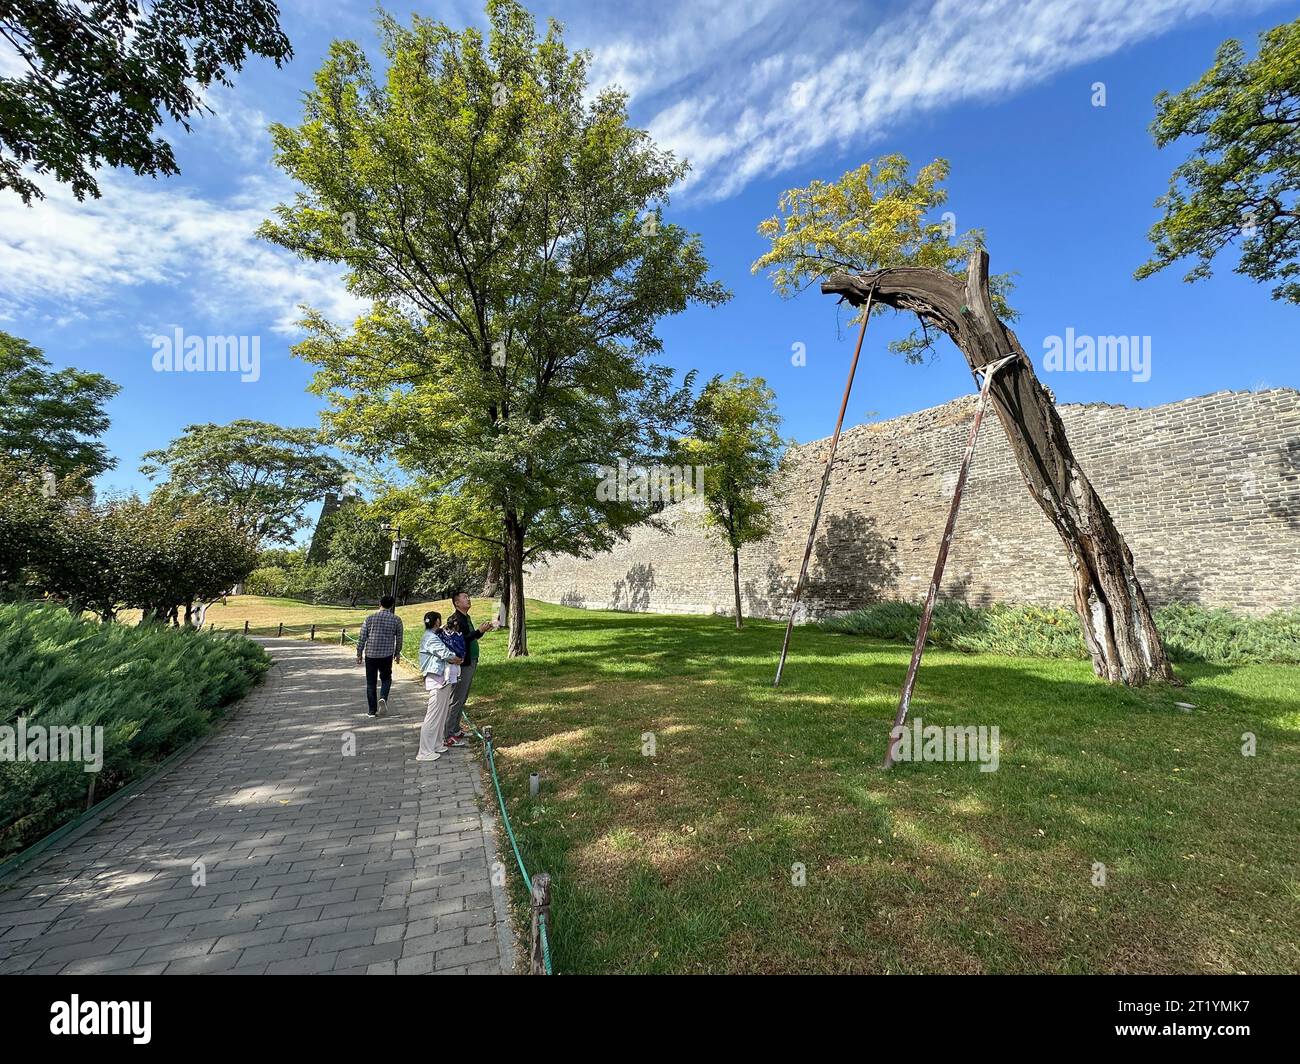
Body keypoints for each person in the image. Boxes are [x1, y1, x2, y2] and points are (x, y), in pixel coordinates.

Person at [444, 590, 500, 747]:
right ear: (456, 603)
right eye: (464, 598)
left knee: (463, 697)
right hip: (463, 663)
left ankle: (455, 729)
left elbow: (470, 636)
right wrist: (478, 632)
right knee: (457, 698)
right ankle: (448, 734)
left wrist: (481, 631)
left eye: (468, 597)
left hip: (471, 661)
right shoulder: (455, 619)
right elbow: (459, 640)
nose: (468, 599)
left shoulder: (466, 617)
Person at [416, 611, 464, 761]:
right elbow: (445, 653)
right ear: (436, 621)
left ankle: (436, 744)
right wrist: (457, 659)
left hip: (443, 679)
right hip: (437, 680)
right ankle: (424, 751)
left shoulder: (433, 635)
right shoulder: (430, 638)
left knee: (441, 714)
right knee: (433, 716)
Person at [355, 594, 403, 717]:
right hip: (386, 655)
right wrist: (397, 653)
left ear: (379, 604)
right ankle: (383, 697)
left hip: (371, 654)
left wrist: (359, 653)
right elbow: (399, 638)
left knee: (371, 682)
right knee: (386, 678)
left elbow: (362, 637)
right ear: (392, 605)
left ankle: (372, 711)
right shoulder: (396, 619)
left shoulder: (370, 618)